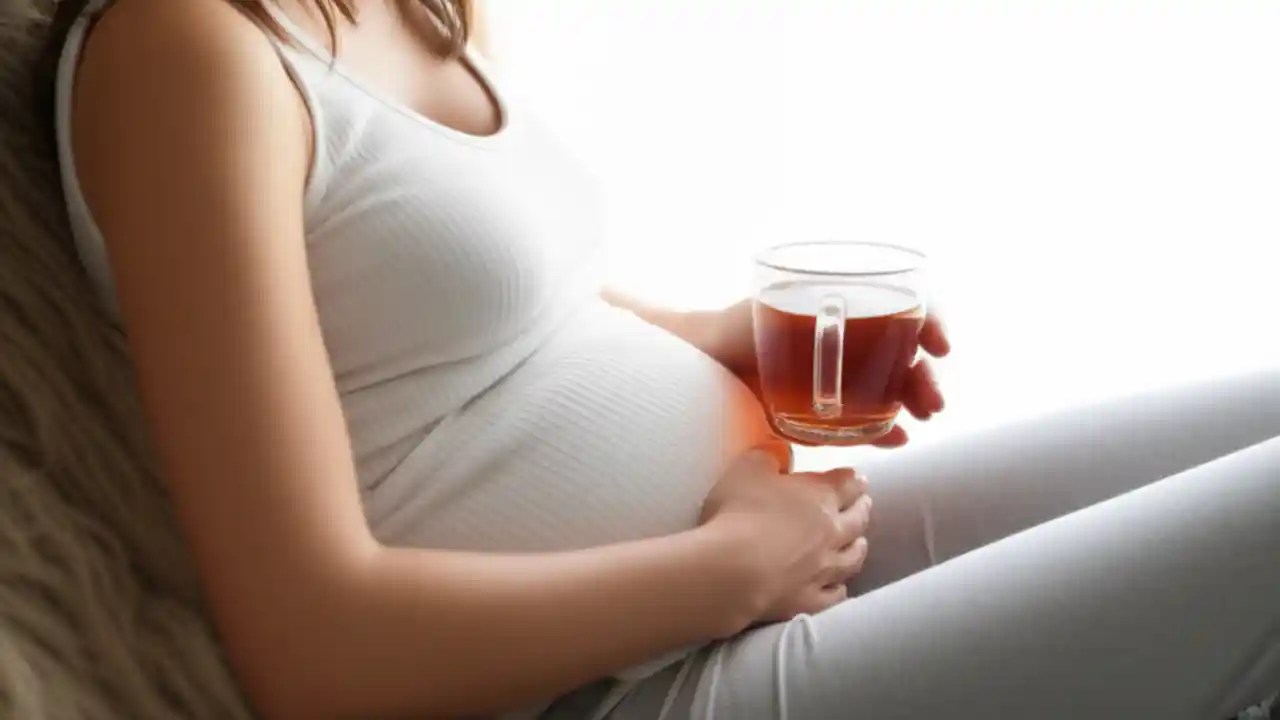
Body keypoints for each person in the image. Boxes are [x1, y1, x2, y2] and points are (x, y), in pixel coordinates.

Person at [49, 0, 1279, 717]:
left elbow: (469, 326)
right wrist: (731, 566)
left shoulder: (404, 8)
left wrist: (707, 339)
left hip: (753, 576)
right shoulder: (183, 49)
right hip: (629, 686)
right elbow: (313, 645)